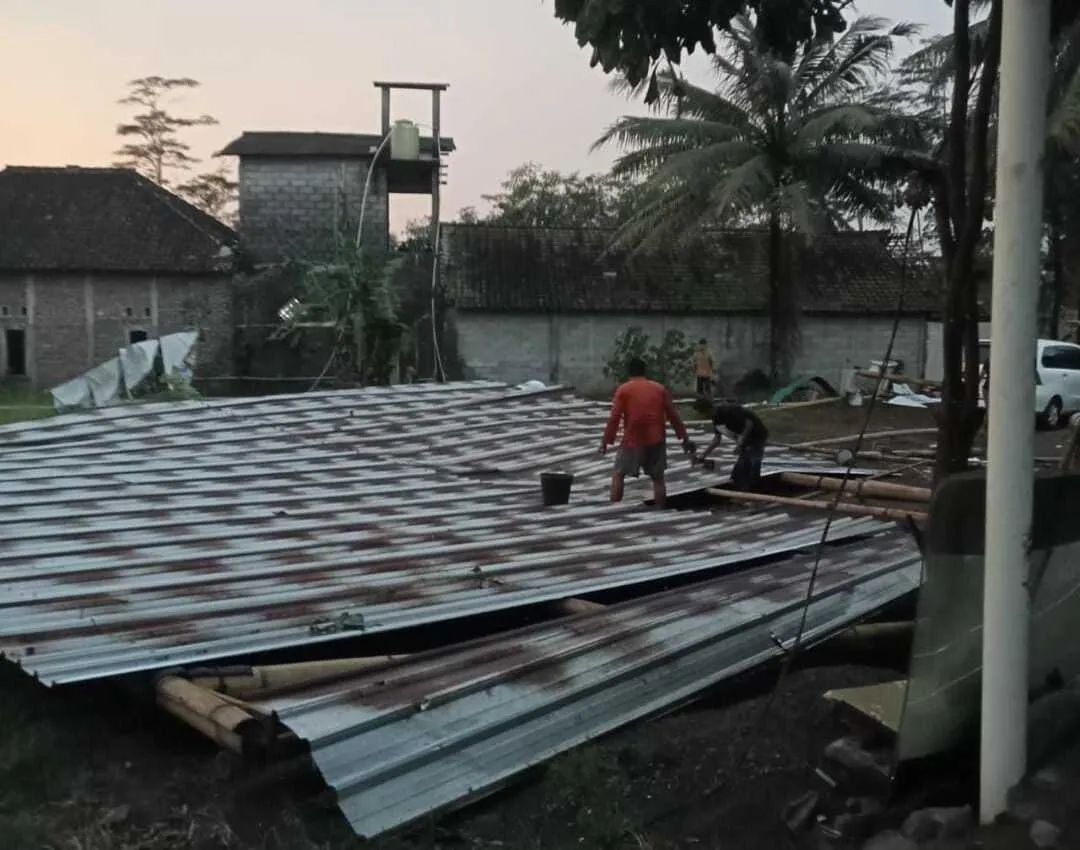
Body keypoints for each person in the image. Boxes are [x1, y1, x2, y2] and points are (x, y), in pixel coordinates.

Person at [600, 357, 695, 508]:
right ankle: (661, 510)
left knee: (618, 474)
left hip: (633, 440)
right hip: (656, 439)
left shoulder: (624, 390)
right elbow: (673, 415)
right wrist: (684, 437)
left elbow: (614, 418)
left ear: (629, 372)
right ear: (645, 371)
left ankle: (612, 509)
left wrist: (606, 441)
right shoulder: (659, 389)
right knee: (658, 478)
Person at [693, 396, 769, 490]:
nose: (703, 416)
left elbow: (749, 423)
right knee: (740, 470)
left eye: (703, 413)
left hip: (757, 434)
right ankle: (740, 488)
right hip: (745, 440)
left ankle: (756, 489)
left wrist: (740, 441)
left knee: (752, 463)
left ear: (709, 409)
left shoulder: (728, 411)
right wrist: (703, 455)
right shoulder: (716, 419)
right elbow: (717, 440)